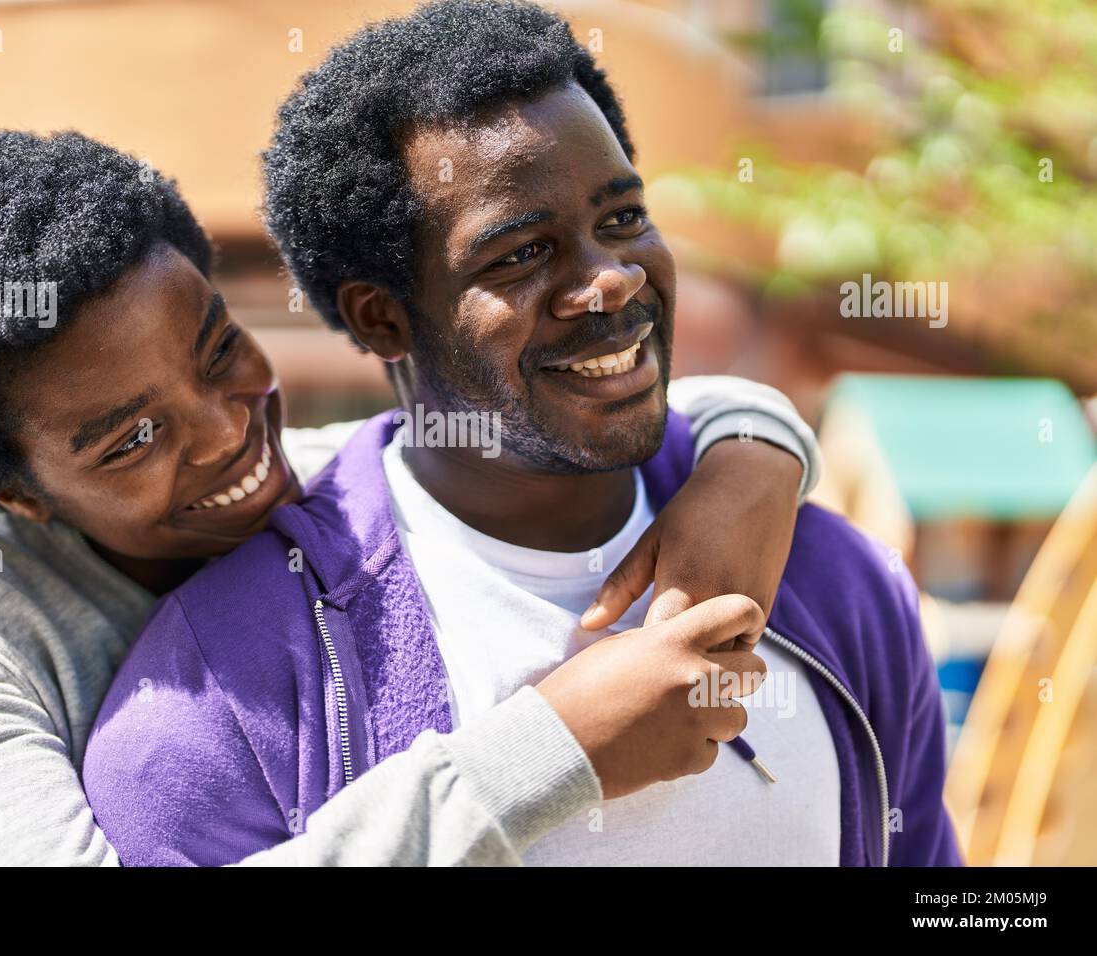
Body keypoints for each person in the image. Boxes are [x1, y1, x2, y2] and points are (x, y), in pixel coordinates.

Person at [83, 0, 963, 867]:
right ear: (382, 319)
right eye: (520, 254)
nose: (613, 279)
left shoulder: (834, 582)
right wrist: (547, 760)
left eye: (621, 219)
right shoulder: (220, 696)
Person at [0, 128, 818, 866]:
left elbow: (608, 407)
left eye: (217, 351)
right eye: (131, 437)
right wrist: (547, 750)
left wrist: (749, 457)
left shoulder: (324, 476)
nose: (226, 430)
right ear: (18, 495)